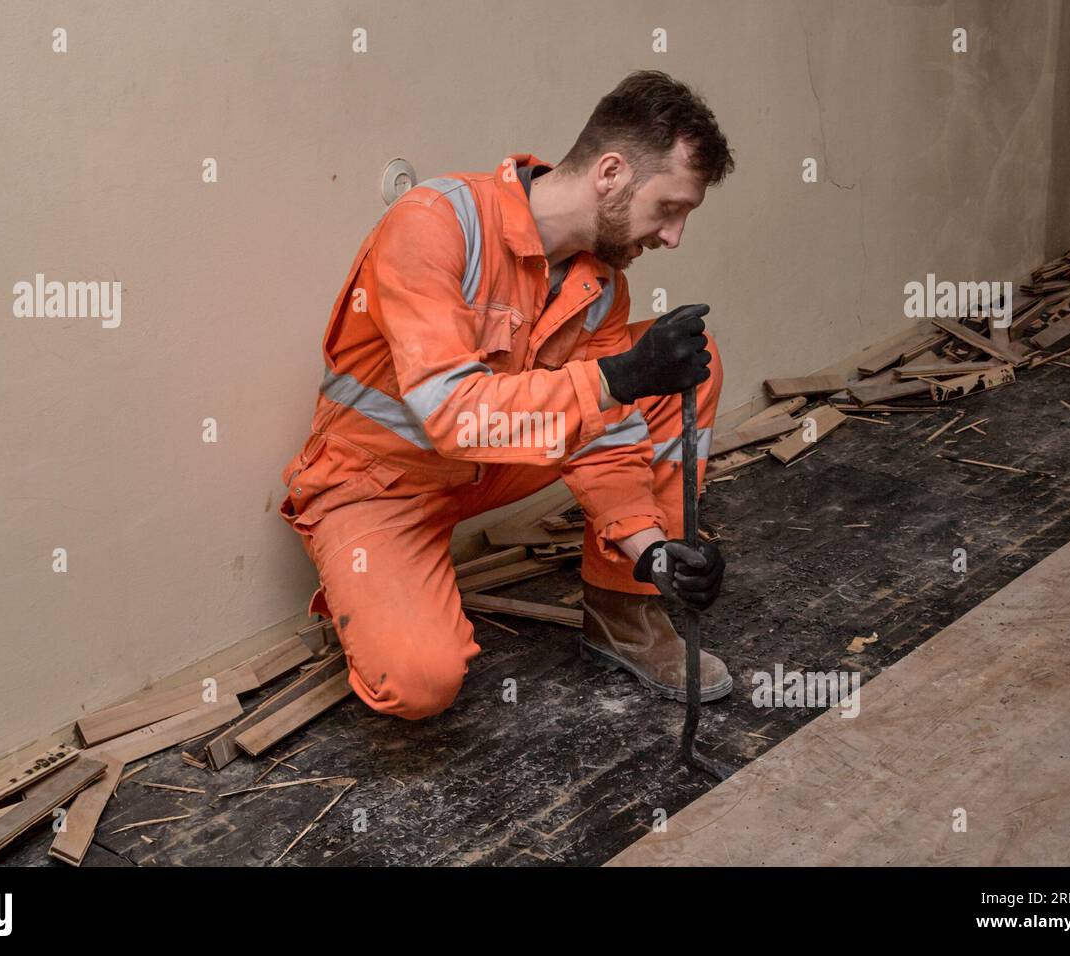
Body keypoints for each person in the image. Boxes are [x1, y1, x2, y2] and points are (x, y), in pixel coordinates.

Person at [280, 70, 735, 719]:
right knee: (419, 683)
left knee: (695, 357)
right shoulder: (435, 223)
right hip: (378, 484)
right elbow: (449, 415)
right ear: (610, 173)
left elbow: (603, 435)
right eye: (669, 209)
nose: (673, 237)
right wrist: (617, 379)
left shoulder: (597, 285)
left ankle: (624, 613)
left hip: (492, 469)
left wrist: (651, 551)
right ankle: (392, 586)